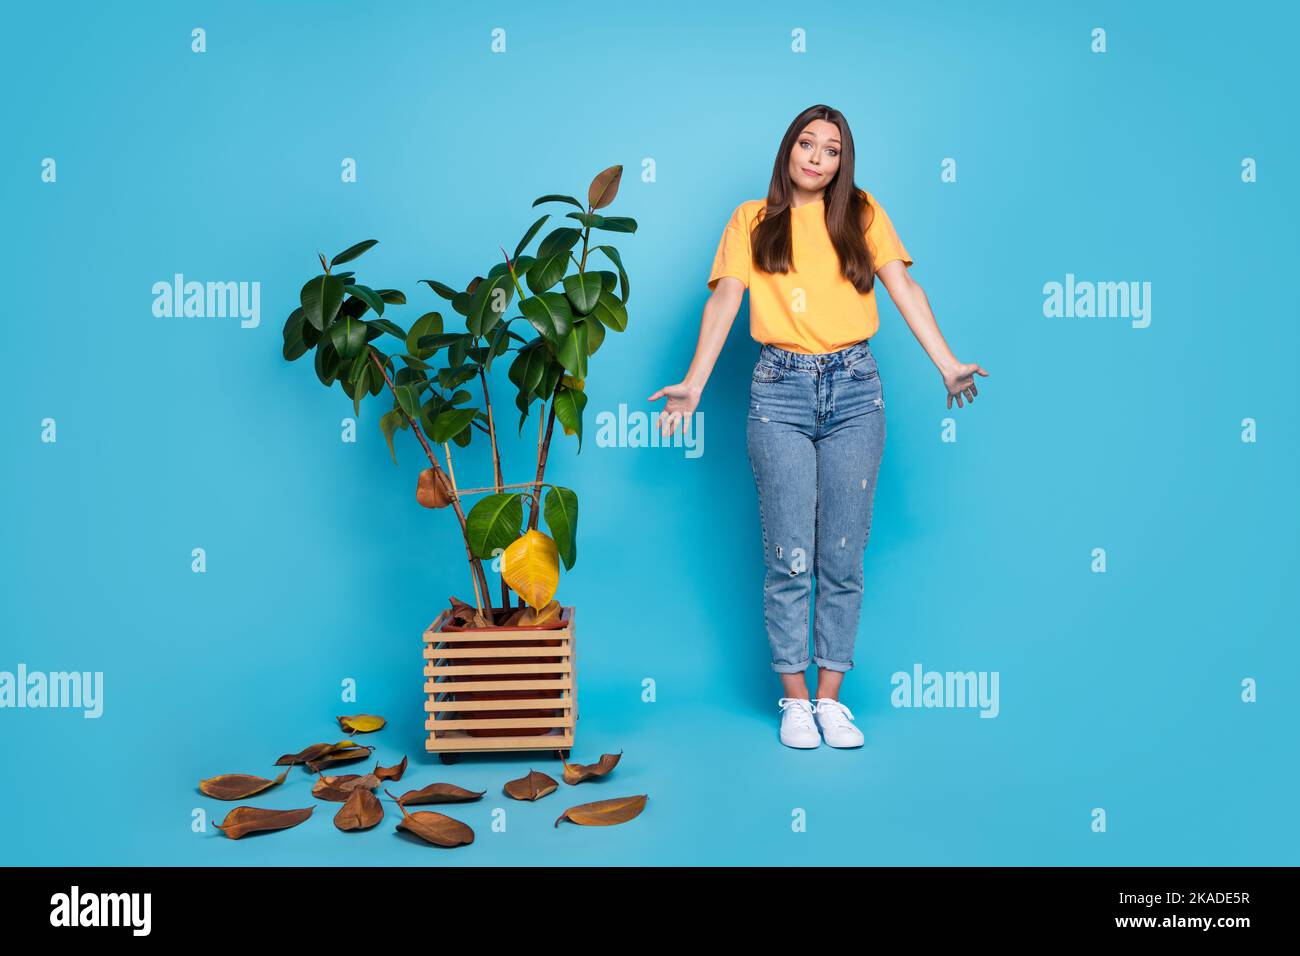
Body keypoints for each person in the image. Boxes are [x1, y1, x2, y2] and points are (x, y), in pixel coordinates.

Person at [650, 104, 988, 749]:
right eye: (806, 143)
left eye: (831, 150)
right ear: (788, 150)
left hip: (857, 389)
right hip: (779, 390)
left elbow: (904, 289)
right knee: (789, 555)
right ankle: (794, 701)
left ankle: (831, 700)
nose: (816, 157)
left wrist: (946, 363)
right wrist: (693, 383)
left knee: (842, 554)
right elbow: (724, 301)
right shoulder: (751, 220)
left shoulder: (862, 213)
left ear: (842, 162)